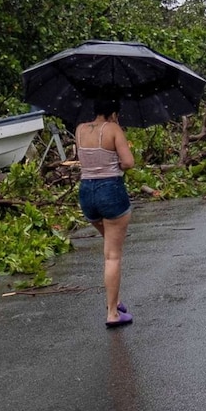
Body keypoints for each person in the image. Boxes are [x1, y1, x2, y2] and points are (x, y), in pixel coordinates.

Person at [76, 99, 136, 328]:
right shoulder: (113, 129)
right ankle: (112, 313)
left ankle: (116, 300)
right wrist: (118, 164)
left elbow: (85, 158)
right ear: (114, 112)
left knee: (109, 246)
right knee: (113, 255)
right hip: (110, 191)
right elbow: (129, 162)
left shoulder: (80, 129)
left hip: (87, 194)